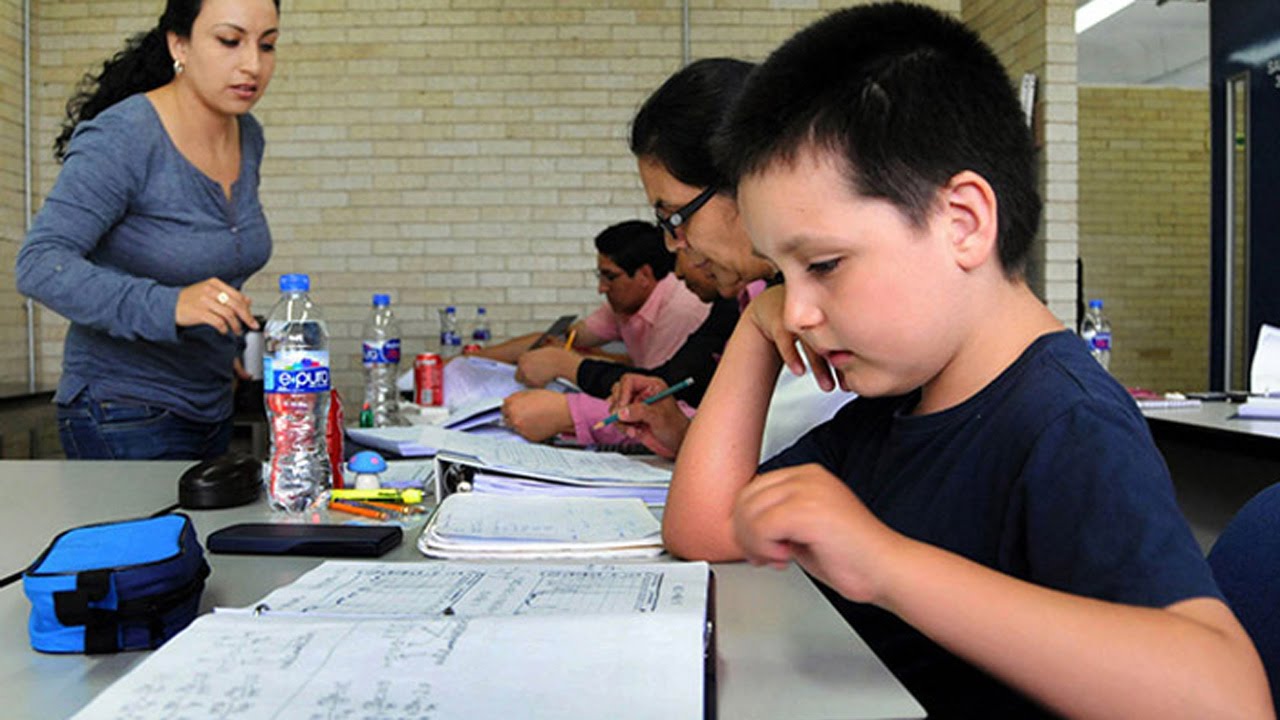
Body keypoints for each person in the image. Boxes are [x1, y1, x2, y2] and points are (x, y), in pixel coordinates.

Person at [665, 4, 1273, 718]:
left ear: (963, 223)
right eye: (779, 273)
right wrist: (754, 333)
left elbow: (1226, 700)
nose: (796, 309)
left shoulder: (1065, 422)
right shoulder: (898, 407)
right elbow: (704, 528)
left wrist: (889, 565)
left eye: (824, 265)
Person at [16, 0, 278, 460]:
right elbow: (40, 264)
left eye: (268, 45)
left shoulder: (247, 134)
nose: (252, 64)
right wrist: (171, 304)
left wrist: (226, 338)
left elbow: (213, 257)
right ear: (179, 43)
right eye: (229, 41)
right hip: (122, 410)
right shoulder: (126, 136)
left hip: (213, 404)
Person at [609, 57, 853, 460]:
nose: (673, 244)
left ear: (746, 181)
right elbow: (766, 457)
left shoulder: (818, 314)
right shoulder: (763, 299)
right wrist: (685, 435)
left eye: (674, 217)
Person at [502, 247, 740, 445]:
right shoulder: (622, 306)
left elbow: (671, 387)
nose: (677, 272)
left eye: (687, 250)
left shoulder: (683, 308)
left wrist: (572, 400)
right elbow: (570, 336)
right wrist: (477, 355)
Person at [468, 220, 708, 371]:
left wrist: (570, 362)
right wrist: (467, 361)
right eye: (600, 276)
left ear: (644, 275)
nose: (601, 289)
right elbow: (563, 338)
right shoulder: (624, 303)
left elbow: (652, 389)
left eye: (609, 276)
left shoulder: (680, 310)